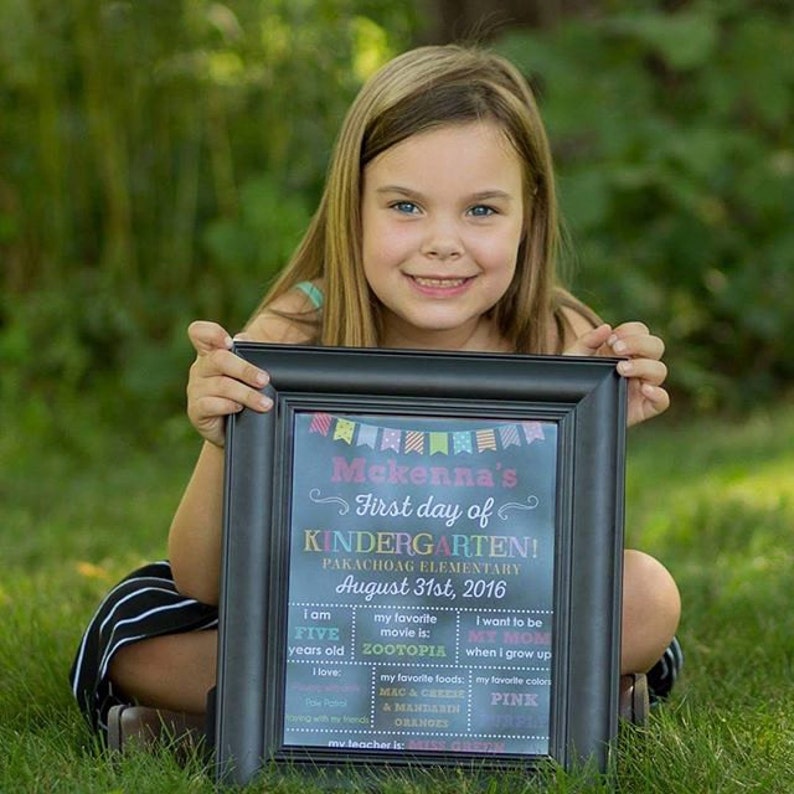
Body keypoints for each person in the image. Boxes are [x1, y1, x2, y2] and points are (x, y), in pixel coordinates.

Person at [70, 43, 682, 746]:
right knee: (134, 639)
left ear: (530, 214)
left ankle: (233, 720)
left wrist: (598, 426)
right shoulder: (295, 333)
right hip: (325, 616)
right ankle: (541, 711)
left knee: (644, 596)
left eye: (482, 209)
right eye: (406, 207)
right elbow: (204, 578)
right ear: (352, 207)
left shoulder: (560, 338)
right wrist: (223, 436)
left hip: (491, 619)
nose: (443, 242)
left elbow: (556, 570)